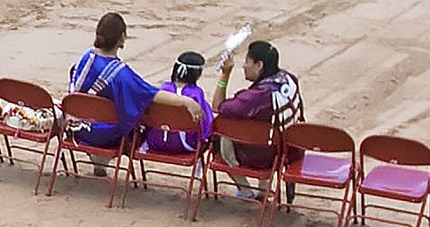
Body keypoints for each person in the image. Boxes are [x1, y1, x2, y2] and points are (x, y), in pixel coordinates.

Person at [68, 13, 203, 152]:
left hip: (76, 128)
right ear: (121, 39)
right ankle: (100, 156)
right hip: (104, 135)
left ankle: (99, 159)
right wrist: (186, 101)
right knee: (136, 123)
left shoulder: (85, 58)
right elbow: (151, 95)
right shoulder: (120, 74)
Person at [211, 39, 303, 188]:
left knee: (222, 131)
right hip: (287, 151)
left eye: (247, 61)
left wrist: (225, 75)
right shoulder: (290, 79)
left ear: (259, 65)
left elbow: (217, 106)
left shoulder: (255, 98)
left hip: (262, 156)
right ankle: (263, 188)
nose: (244, 66)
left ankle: (245, 188)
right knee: (264, 124)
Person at [143, 52, 211, 155]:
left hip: (155, 142)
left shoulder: (163, 90)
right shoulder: (196, 94)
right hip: (186, 145)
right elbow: (205, 123)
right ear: (197, 75)